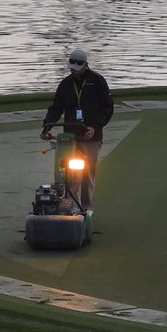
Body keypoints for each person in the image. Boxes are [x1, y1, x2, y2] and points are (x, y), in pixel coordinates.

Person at [40, 48, 114, 212]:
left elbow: (107, 107)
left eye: (77, 68)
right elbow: (56, 109)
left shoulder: (97, 81)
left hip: (91, 138)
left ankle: (86, 209)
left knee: (88, 175)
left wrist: (95, 127)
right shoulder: (65, 85)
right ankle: (72, 208)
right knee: (70, 174)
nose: (74, 71)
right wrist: (47, 126)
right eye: (72, 68)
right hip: (70, 138)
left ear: (85, 65)